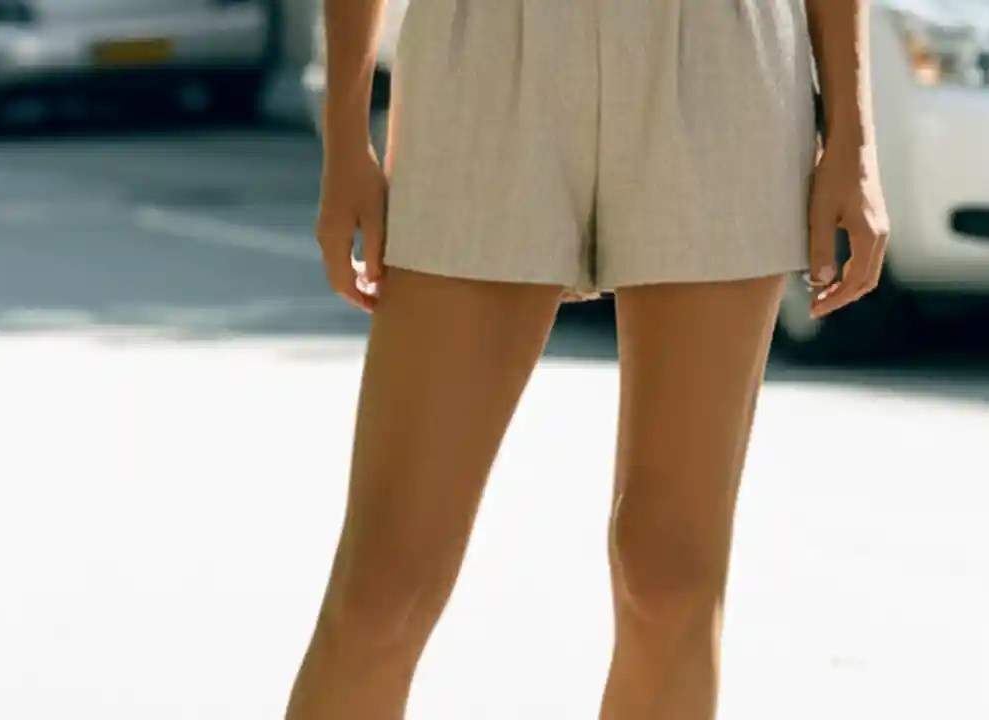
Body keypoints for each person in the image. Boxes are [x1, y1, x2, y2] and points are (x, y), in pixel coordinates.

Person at [286, 0, 889, 717]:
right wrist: (345, 132)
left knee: (671, 579)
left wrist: (852, 135)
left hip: (721, 56)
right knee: (384, 580)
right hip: (484, 48)